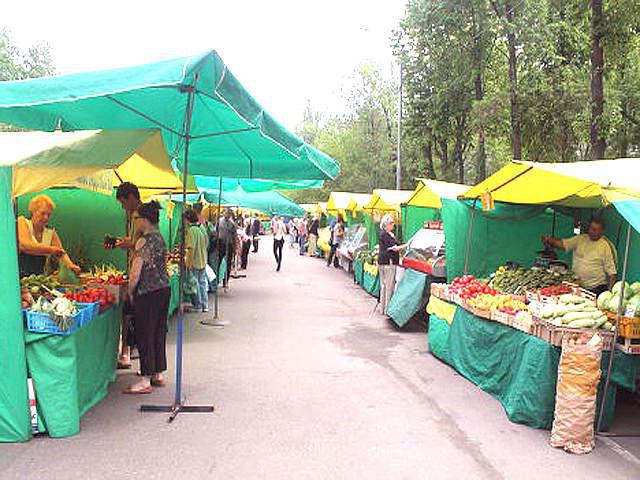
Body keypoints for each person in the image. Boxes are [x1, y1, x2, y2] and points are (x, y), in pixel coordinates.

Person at [124, 201, 170, 394]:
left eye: (136, 218)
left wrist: (130, 291)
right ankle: (157, 373)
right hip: (164, 289)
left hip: (147, 292)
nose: (135, 222)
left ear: (144, 220)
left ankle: (145, 380)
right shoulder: (160, 238)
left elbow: (136, 272)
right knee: (158, 331)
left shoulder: (143, 241)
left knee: (145, 333)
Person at [542, 218, 617, 295]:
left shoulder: (605, 246)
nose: (593, 232)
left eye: (596, 230)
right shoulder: (580, 239)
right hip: (578, 286)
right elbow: (563, 244)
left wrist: (610, 293)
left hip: (597, 288)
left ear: (602, 231)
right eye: (592, 229)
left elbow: (612, 273)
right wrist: (550, 240)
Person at [112, 182, 142, 369]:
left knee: (130, 314)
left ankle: (127, 352)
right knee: (133, 314)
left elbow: (139, 243)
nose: (123, 207)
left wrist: (125, 244)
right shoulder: (136, 216)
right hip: (139, 271)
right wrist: (122, 242)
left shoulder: (139, 216)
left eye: (123, 203)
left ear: (130, 198)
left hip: (139, 273)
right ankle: (131, 353)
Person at [17, 194, 82, 276]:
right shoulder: (22, 222)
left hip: (38, 278)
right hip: (18, 276)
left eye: (49, 214)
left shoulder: (50, 232)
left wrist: (71, 265)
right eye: (43, 213)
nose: (46, 217)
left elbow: (60, 253)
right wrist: (51, 250)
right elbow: (25, 245)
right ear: (33, 212)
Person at [378, 214, 406, 313]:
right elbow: (394, 248)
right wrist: (407, 245)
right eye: (391, 223)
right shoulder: (385, 235)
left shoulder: (385, 234)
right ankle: (387, 309)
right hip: (388, 262)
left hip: (382, 261)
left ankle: (383, 308)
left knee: (384, 285)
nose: (393, 225)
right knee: (388, 286)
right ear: (386, 224)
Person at [185, 209, 210, 313]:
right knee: (202, 283)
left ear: (188, 219)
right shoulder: (202, 228)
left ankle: (198, 305)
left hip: (195, 261)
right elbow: (207, 243)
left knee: (195, 284)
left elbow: (190, 249)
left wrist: (188, 263)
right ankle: (205, 305)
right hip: (203, 259)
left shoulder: (191, 231)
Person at [217, 208, 237, 289]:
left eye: (228, 213)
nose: (227, 215)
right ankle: (216, 280)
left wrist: (235, 248)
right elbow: (216, 231)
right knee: (218, 262)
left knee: (228, 264)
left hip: (229, 244)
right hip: (221, 243)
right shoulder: (219, 221)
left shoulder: (232, 224)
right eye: (226, 213)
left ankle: (226, 281)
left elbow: (234, 236)